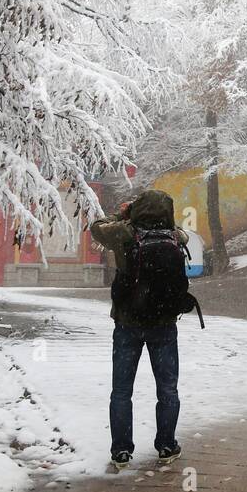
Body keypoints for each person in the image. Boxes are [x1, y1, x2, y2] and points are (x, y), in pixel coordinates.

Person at [89, 189, 189, 469]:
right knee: (167, 389)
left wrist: (122, 213)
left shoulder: (123, 232)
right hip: (164, 325)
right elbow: (183, 234)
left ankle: (121, 451)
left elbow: (96, 228)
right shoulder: (175, 235)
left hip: (128, 323)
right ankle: (167, 446)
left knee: (121, 390)